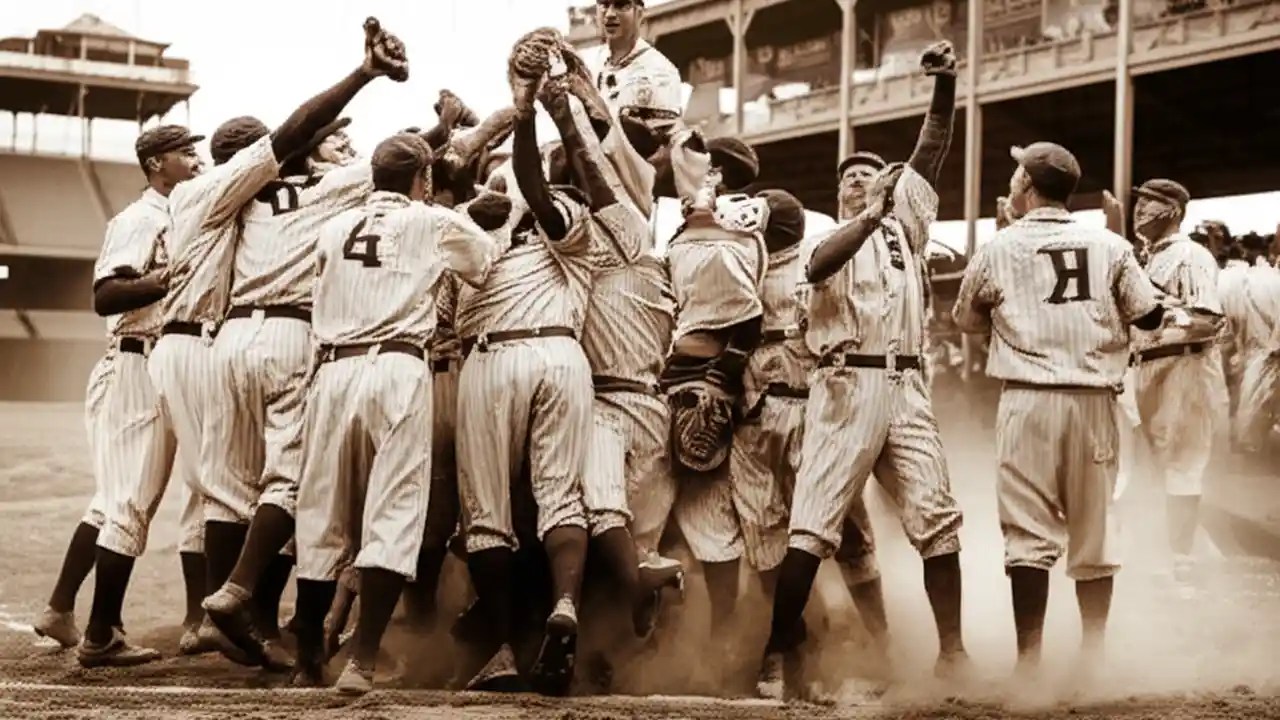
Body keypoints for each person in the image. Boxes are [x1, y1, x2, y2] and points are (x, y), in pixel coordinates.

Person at [196, 18, 411, 672]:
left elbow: (291, 137)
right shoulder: (331, 187)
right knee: (287, 481)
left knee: (225, 486)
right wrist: (367, 76)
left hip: (228, 336)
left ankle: (229, 614)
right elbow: (398, 158)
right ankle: (237, 595)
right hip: (290, 334)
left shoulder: (218, 194)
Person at [758, 41, 968, 700]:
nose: (859, 176)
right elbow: (819, 270)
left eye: (870, 171)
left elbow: (931, 148)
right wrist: (869, 212)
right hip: (844, 385)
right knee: (814, 527)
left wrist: (945, 85)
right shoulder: (828, 237)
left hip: (905, 382)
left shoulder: (909, 229)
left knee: (937, 518)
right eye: (848, 174)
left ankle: (953, 654)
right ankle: (778, 653)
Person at [952, 142, 1168, 690]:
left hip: (1026, 401)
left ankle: (1029, 664)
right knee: (1094, 533)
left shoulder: (999, 247)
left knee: (1027, 535)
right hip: (1094, 399)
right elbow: (1148, 316)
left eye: (1017, 172)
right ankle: (1093, 659)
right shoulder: (1111, 243)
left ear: (1027, 185)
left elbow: (968, 322)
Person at [290, 132, 499, 694]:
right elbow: (484, 263)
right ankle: (360, 662)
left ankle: (307, 656)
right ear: (423, 179)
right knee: (393, 513)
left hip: (333, 369)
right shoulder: (430, 220)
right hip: (397, 369)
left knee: (321, 516)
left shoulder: (334, 227)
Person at [51, 125, 209, 666]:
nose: (197, 158)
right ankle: (101, 635)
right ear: (154, 164)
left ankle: (61, 611)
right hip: (135, 361)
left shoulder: (178, 213)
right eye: (186, 152)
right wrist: (172, 278)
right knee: (128, 503)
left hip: (160, 363)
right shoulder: (139, 219)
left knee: (120, 498)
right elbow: (107, 294)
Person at [1128, 177, 1227, 592]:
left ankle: (1183, 561)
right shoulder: (1143, 258)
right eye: (1139, 202)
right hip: (1147, 367)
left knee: (1183, 465)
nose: (1140, 210)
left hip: (1185, 367)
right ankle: (1179, 552)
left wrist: (1165, 320)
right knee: (1151, 467)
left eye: (1151, 202)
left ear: (1173, 211)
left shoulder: (1193, 256)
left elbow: (1209, 321)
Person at [1220, 232, 1280, 455]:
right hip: (1269, 346)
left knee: (1249, 394)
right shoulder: (1274, 277)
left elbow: (1235, 317)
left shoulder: (1242, 280)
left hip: (1256, 346)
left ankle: (1246, 442)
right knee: (1261, 397)